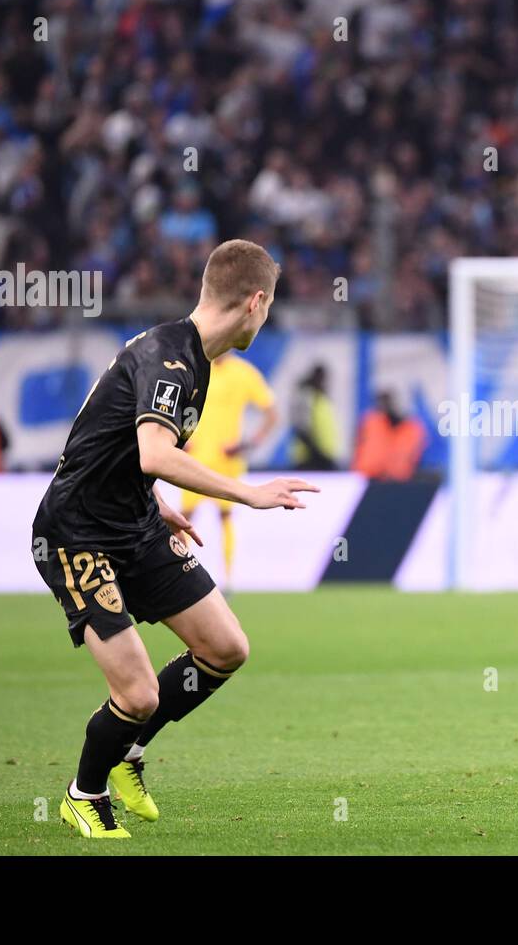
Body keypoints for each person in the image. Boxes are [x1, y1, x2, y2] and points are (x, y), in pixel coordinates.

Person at [31, 239, 318, 838]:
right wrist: (248, 493)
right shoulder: (171, 360)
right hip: (77, 534)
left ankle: (130, 750)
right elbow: (156, 451)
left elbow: (109, 441)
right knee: (136, 693)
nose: (267, 319)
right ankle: (85, 792)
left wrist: (158, 505)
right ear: (256, 302)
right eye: (270, 307)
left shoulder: (190, 358)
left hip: (136, 521)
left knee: (225, 648)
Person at [180, 352, 279, 587]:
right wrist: (182, 438)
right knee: (184, 518)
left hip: (226, 459)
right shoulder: (197, 369)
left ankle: (228, 579)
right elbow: (178, 407)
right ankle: (180, 574)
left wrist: (248, 443)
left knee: (224, 517)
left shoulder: (243, 373)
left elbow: (272, 414)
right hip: (195, 458)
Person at [351, 390, 427, 481]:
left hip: (398, 478)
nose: (384, 406)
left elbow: (416, 456)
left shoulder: (412, 428)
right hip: (367, 475)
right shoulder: (371, 421)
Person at [290, 363, 341, 470]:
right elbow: (301, 429)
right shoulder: (306, 397)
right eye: (321, 378)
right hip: (309, 459)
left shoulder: (321, 398)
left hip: (324, 456)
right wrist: (318, 454)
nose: (323, 381)